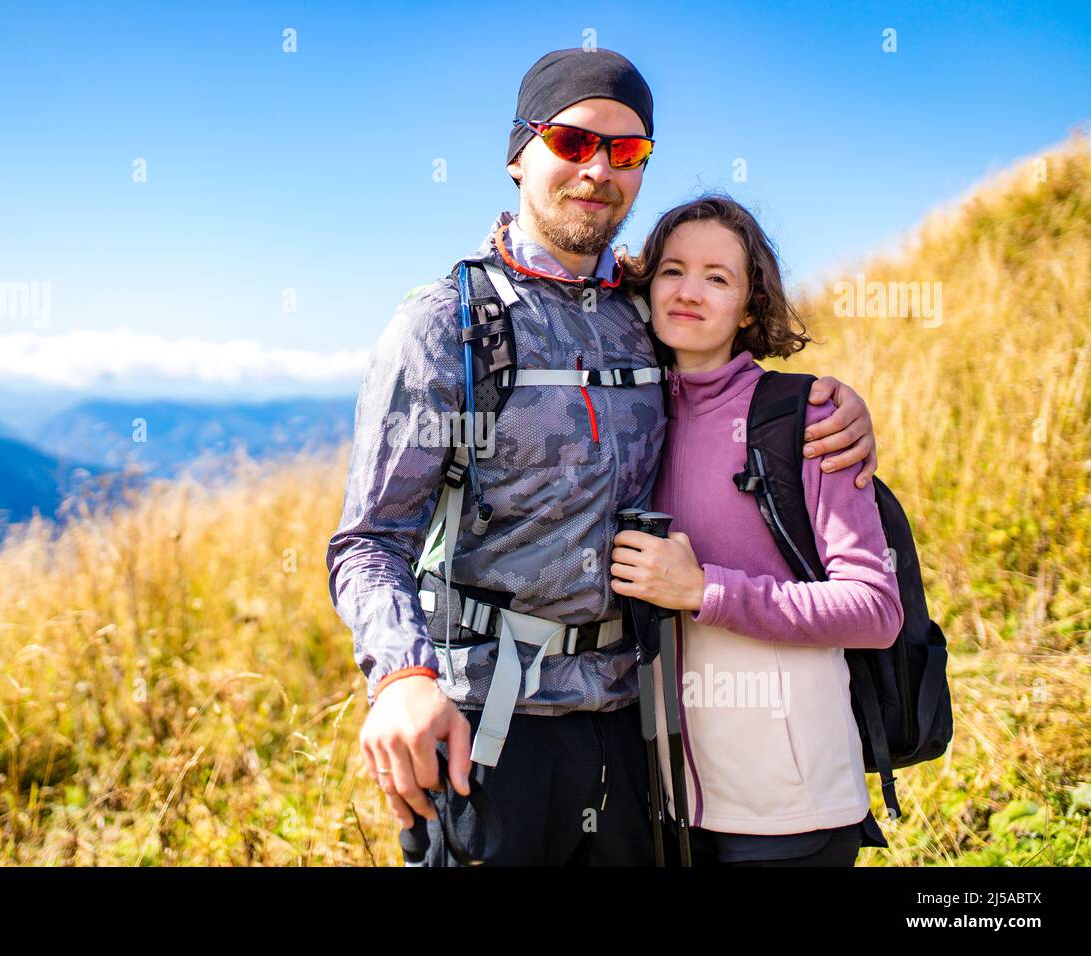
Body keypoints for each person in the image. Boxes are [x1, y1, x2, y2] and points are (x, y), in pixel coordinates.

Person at [326, 48, 879, 867]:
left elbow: (731, 376)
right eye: (574, 142)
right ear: (520, 154)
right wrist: (402, 676)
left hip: (637, 727)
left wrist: (832, 407)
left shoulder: (644, 310)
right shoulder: (448, 325)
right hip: (488, 730)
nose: (598, 170)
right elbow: (369, 542)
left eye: (627, 152)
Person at [611, 195, 902, 866]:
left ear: (749, 306)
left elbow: (874, 609)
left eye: (718, 277)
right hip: (667, 804)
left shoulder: (804, 417)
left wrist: (705, 590)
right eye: (672, 271)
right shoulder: (632, 413)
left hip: (788, 810)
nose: (689, 292)